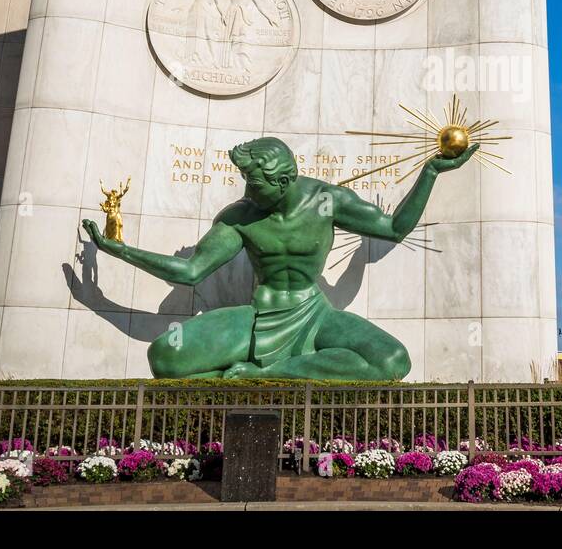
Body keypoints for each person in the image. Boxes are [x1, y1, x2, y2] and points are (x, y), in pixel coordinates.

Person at [82, 136, 476, 379]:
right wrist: (122, 250)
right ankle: (267, 369)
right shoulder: (241, 217)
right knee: (165, 356)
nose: (246, 190)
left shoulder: (326, 200)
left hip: (315, 316)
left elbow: (393, 228)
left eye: (254, 183)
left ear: (284, 181)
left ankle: (264, 374)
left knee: (392, 360)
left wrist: (430, 172)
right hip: (258, 319)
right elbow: (190, 271)